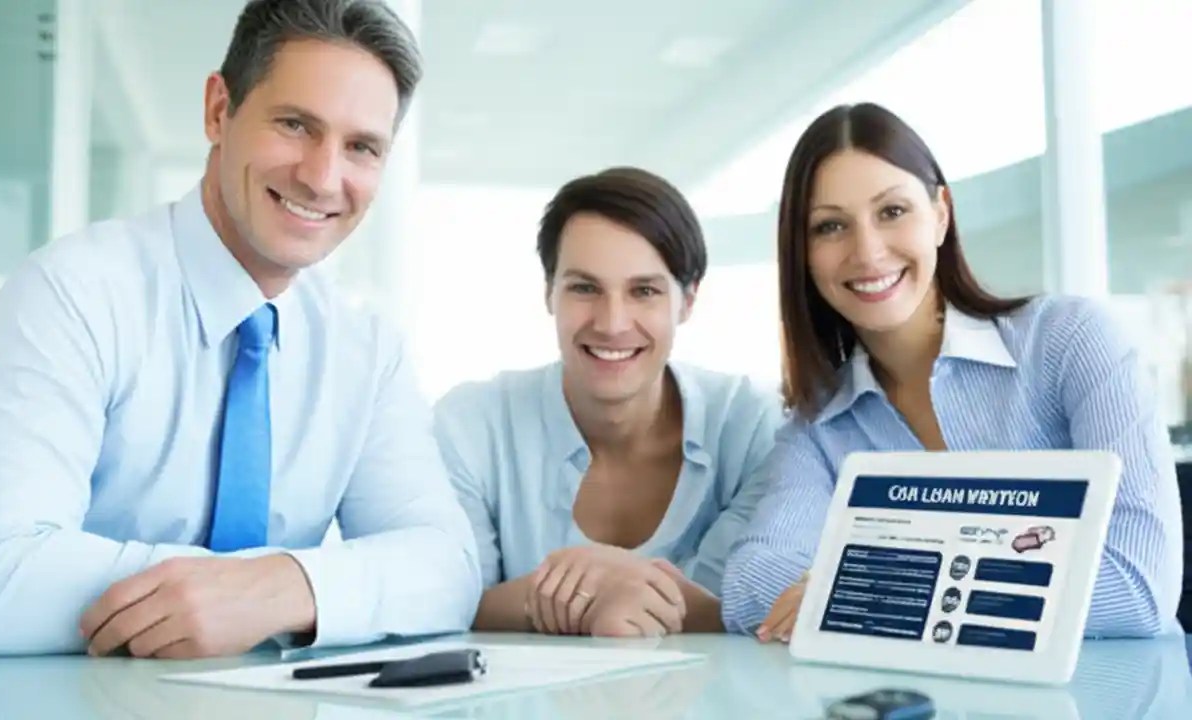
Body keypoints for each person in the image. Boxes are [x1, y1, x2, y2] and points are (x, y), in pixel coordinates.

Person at [0, 0, 480, 657]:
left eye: (361, 147)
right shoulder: (75, 293)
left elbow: (447, 570)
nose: (324, 177)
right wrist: (247, 590)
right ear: (220, 110)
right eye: (296, 124)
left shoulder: (365, 351)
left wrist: (281, 589)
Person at [720, 102, 1183, 641]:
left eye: (892, 211)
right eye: (830, 226)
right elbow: (751, 587)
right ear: (803, 254)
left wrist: (863, 592)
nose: (867, 251)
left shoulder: (1069, 341)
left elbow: (1136, 588)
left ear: (941, 213)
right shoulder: (820, 428)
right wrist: (983, 590)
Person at [433, 167, 781, 637]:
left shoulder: (751, 424)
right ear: (548, 293)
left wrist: (571, 590)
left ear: (688, 301)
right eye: (584, 288)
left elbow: (749, 606)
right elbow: (444, 600)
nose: (613, 322)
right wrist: (598, 593)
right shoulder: (471, 425)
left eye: (644, 291)